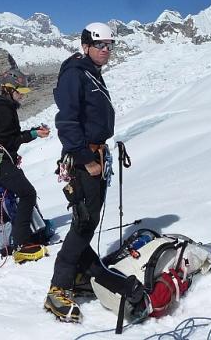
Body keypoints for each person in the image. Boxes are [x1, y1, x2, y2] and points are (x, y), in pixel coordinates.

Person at [44, 23, 144, 323]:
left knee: (88, 220)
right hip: (85, 157)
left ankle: (78, 275)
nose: (106, 50)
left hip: (95, 153)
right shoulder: (76, 74)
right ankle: (57, 288)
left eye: (109, 45)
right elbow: (67, 121)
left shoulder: (89, 72)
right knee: (85, 222)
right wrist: (86, 159)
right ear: (85, 45)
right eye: (100, 45)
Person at [0, 68, 50, 263]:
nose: (23, 96)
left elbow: (5, 140)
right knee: (27, 193)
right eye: (20, 91)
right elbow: (10, 140)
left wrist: (13, 153)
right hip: (1, 161)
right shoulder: (4, 109)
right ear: (9, 89)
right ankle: (22, 244)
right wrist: (33, 134)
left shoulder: (1, 105)